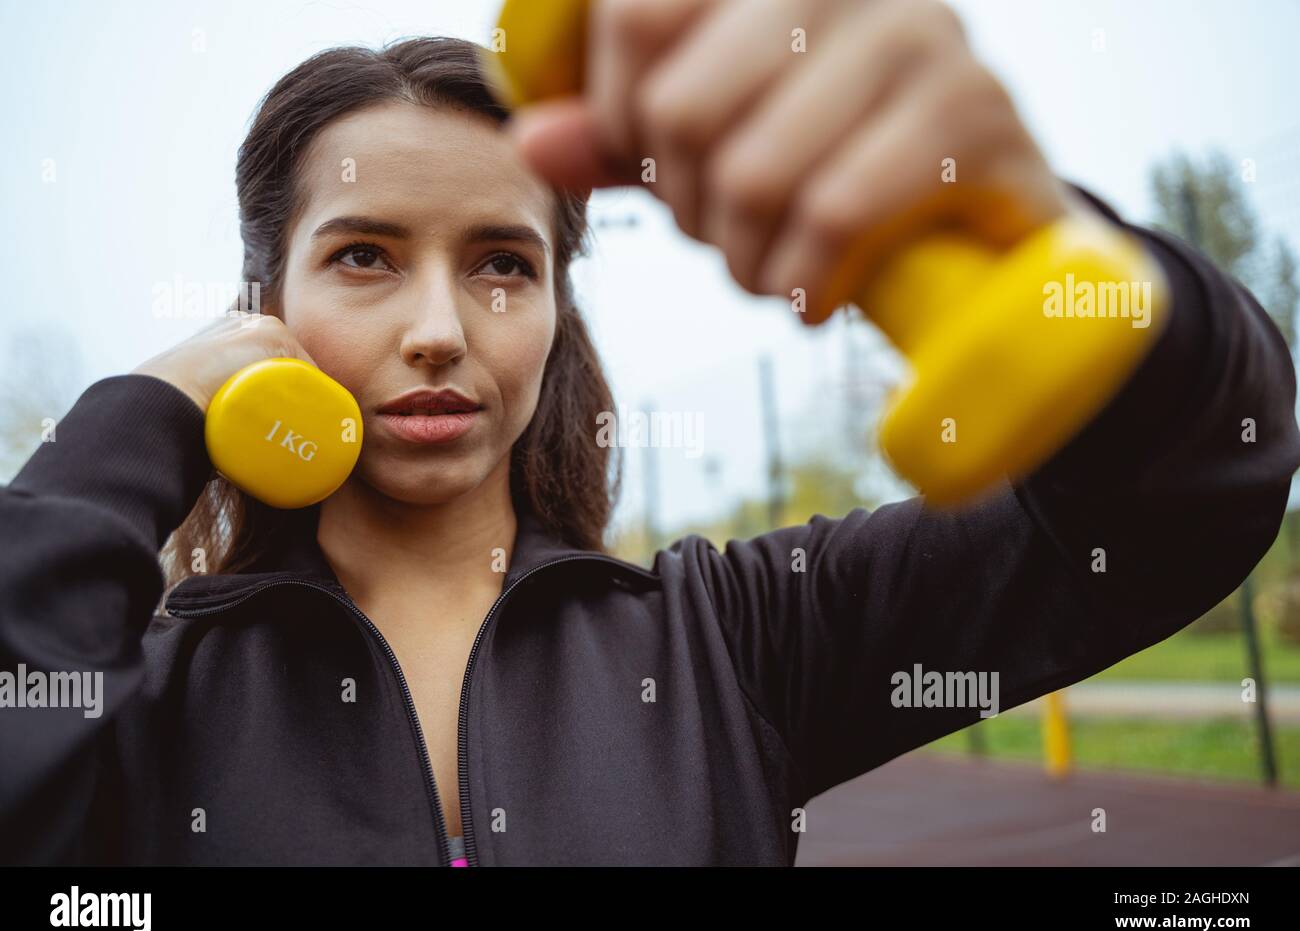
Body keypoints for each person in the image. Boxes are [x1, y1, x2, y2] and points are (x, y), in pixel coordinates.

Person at [2, 1, 1298, 866]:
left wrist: (1048, 252)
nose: (441, 326)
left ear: (561, 308)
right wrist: (154, 409)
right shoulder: (145, 692)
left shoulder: (741, 634)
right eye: (363, 257)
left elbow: (1185, 500)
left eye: (504, 264)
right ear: (265, 308)